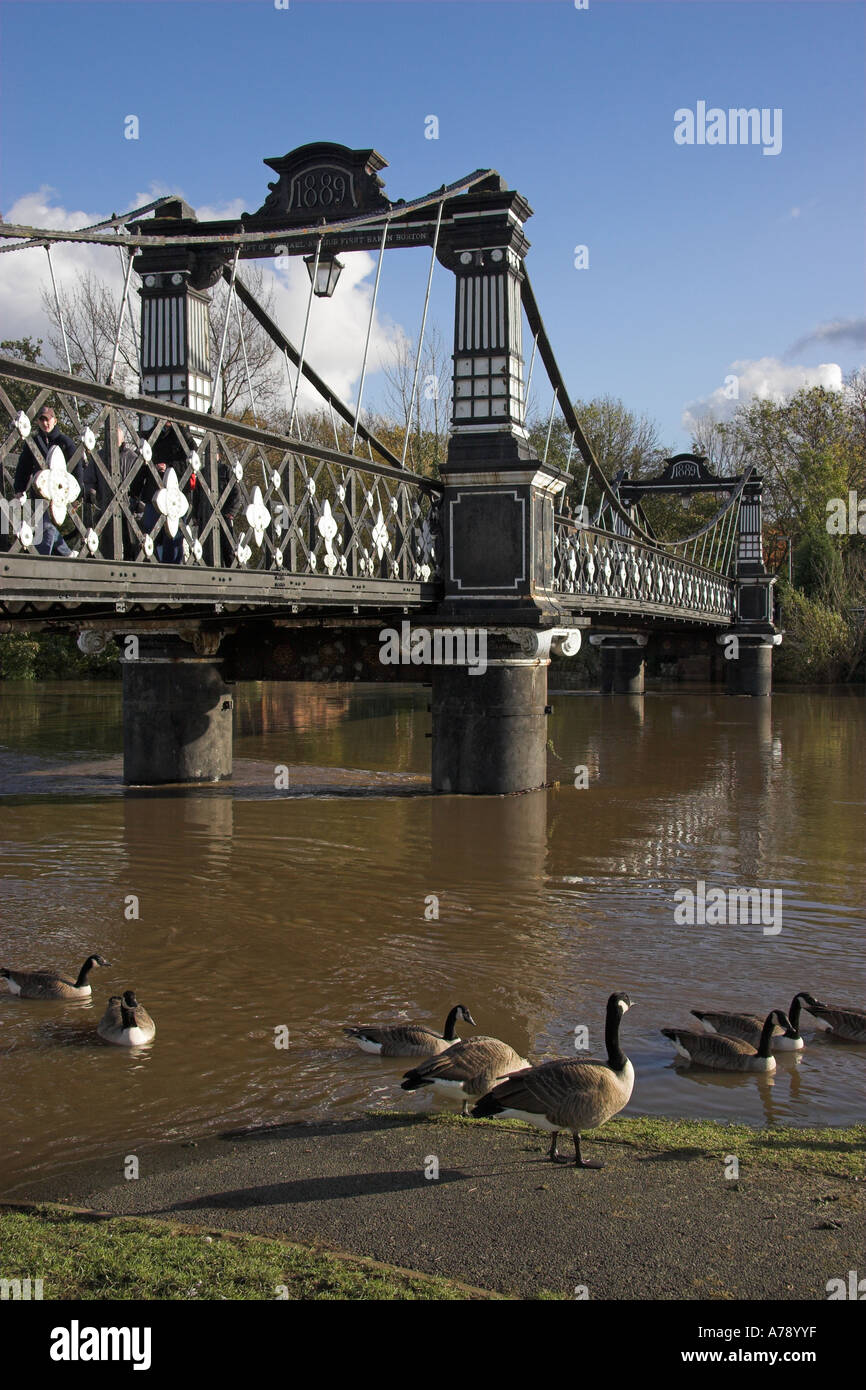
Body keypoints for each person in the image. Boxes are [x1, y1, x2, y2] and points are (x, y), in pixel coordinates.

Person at [14, 405, 81, 556]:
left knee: (46, 527)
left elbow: (77, 469)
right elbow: (23, 467)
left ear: (55, 421)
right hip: (40, 491)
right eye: (42, 420)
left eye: (48, 419)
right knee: (44, 525)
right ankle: (64, 554)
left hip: (61, 494)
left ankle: (44, 559)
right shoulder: (33, 442)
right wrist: (19, 488)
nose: (45, 423)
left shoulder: (65, 442)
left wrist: (78, 495)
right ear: (38, 422)